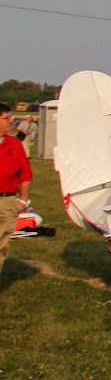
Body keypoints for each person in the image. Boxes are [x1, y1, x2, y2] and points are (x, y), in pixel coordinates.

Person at [0, 105, 33, 273]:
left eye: (11, 118)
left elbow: (25, 174)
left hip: (7, 202)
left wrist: (22, 200)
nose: (11, 122)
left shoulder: (14, 144)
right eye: (6, 118)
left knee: (2, 246)